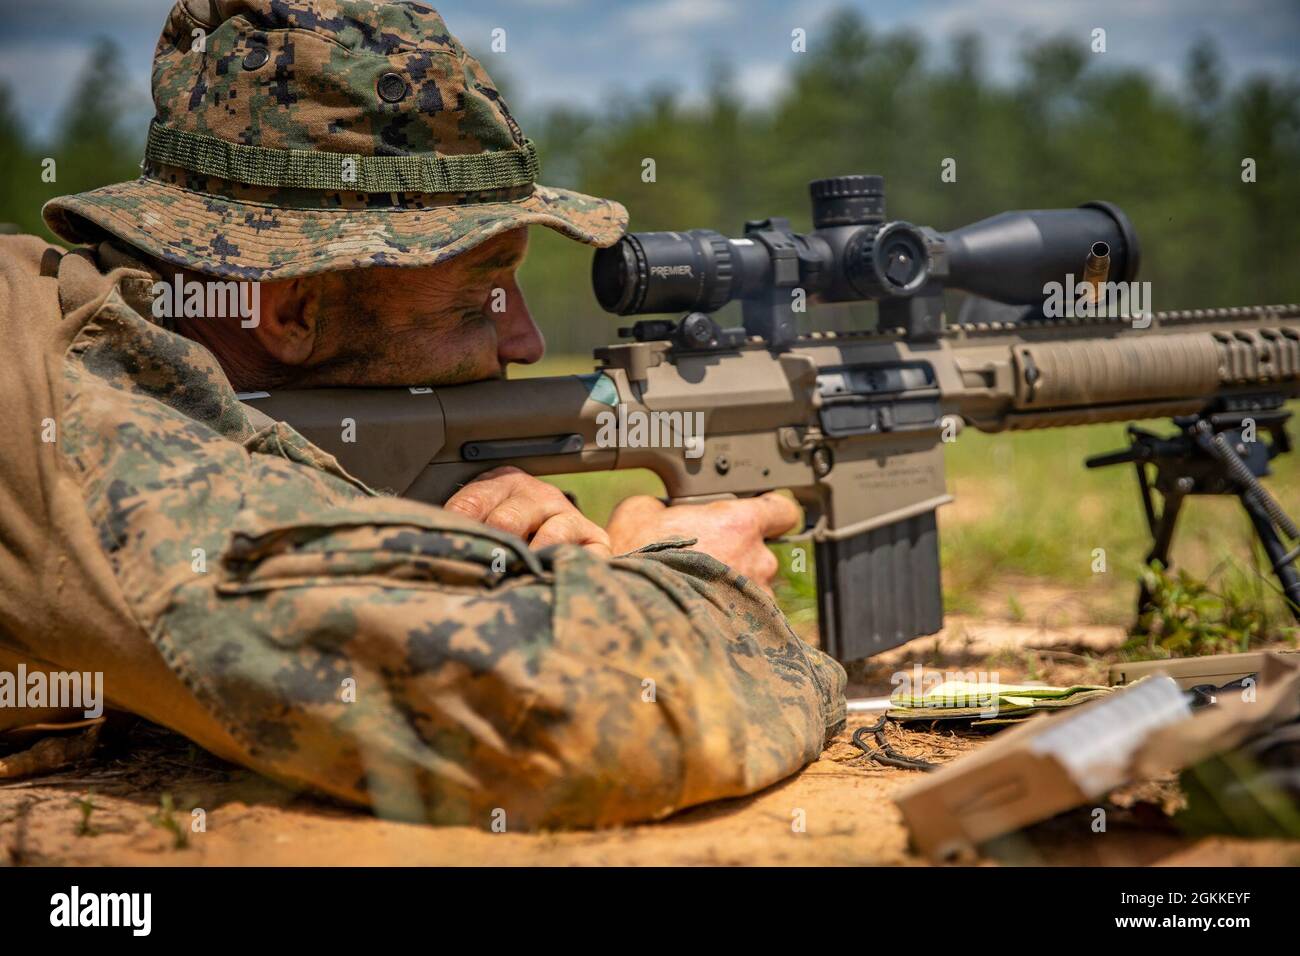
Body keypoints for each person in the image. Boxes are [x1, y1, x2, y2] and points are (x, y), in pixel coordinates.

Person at [0, 0, 844, 828]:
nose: (526, 339)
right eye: (484, 291)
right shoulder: (104, 436)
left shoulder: (86, 345)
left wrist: (435, 558)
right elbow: (580, 720)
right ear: (290, 310)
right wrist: (695, 576)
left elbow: (163, 656)